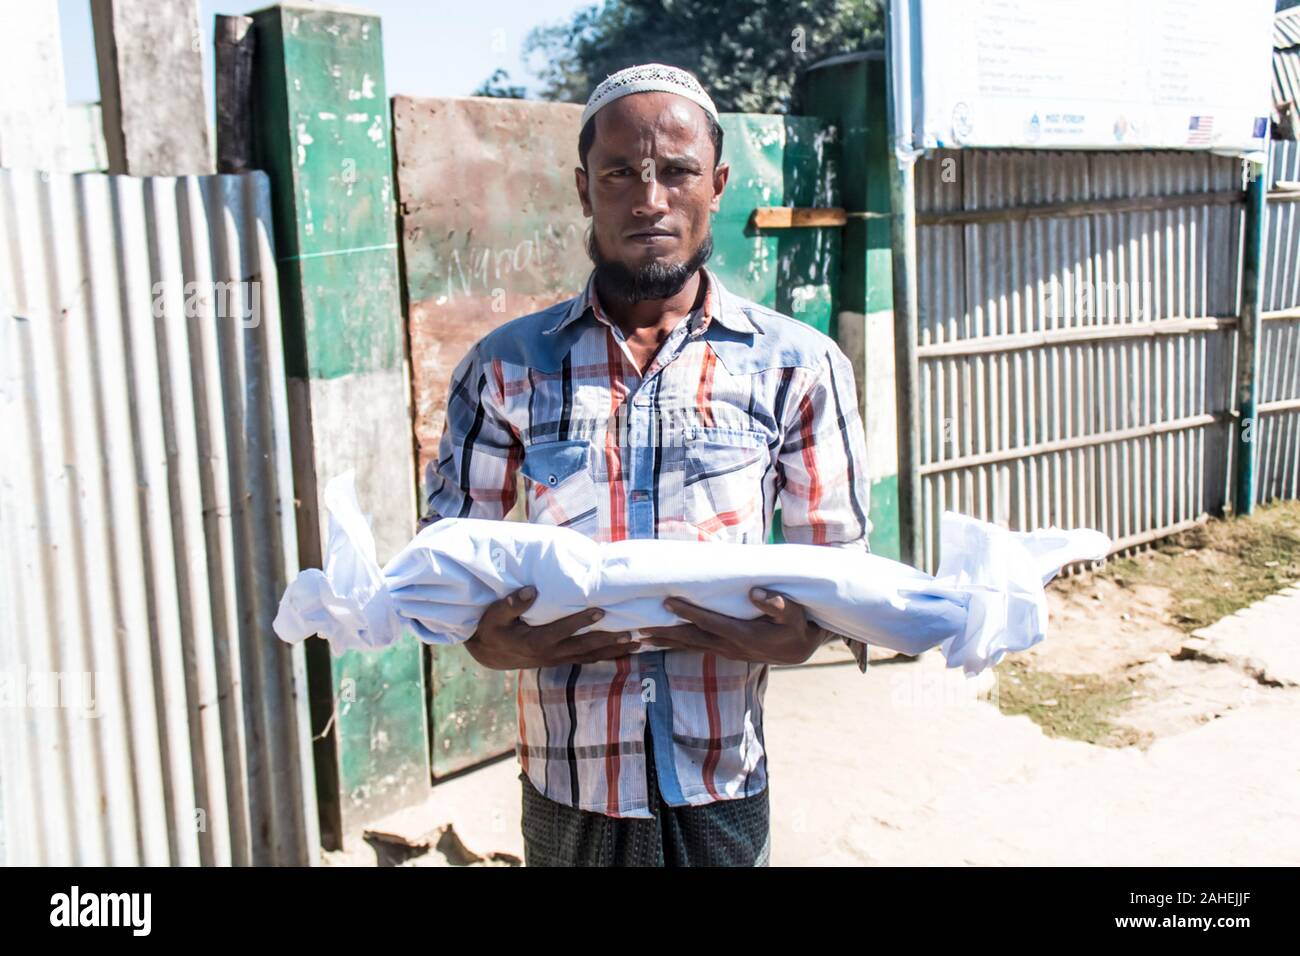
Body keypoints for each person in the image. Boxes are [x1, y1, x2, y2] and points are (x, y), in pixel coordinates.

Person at [422, 63, 872, 866]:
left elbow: (837, 575)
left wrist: (800, 639)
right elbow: (449, 576)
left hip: (722, 774)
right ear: (582, 187)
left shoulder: (799, 366)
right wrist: (494, 644)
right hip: (571, 781)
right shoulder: (503, 369)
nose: (651, 198)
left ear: (718, 183)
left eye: (677, 171)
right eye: (622, 172)